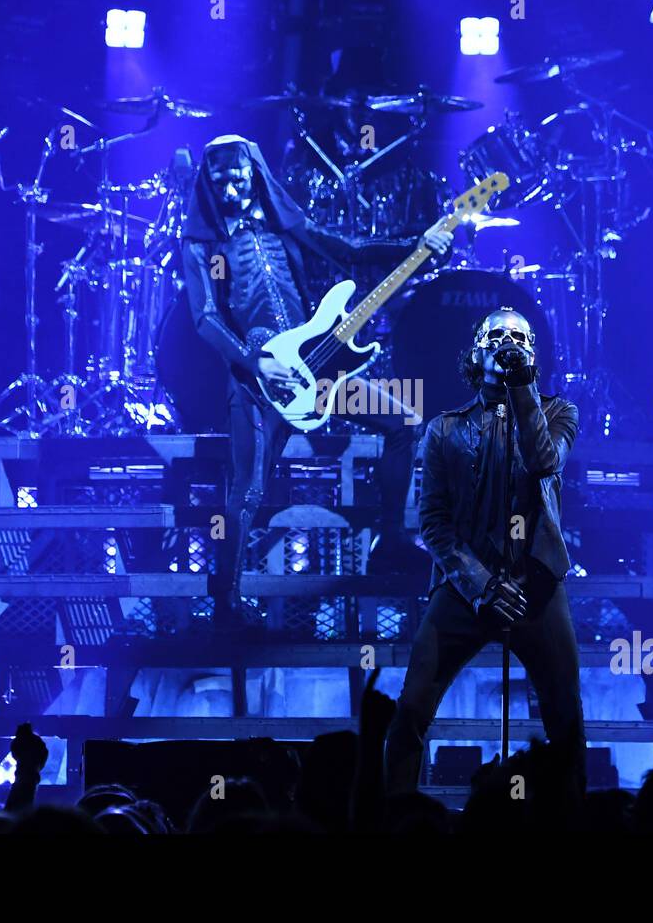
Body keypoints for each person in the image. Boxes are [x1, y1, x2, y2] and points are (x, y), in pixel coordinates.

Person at [180, 134, 453, 627]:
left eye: (236, 169)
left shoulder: (285, 226)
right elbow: (204, 317)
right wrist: (253, 360)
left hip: (315, 365)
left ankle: (389, 543)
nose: (229, 180)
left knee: (402, 422)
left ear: (253, 170)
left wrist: (416, 245)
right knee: (248, 487)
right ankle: (227, 599)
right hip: (255, 379)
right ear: (207, 179)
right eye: (217, 173)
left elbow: (348, 250)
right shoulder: (203, 244)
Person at [383, 307, 586, 793]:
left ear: (532, 353)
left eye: (518, 337)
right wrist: (481, 585)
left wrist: (523, 388)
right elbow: (433, 523)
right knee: (410, 710)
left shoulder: (559, 413)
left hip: (536, 586)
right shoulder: (443, 430)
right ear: (476, 351)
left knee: (566, 719)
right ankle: (394, 819)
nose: (506, 343)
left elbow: (543, 463)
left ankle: (572, 822)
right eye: (496, 336)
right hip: (463, 587)